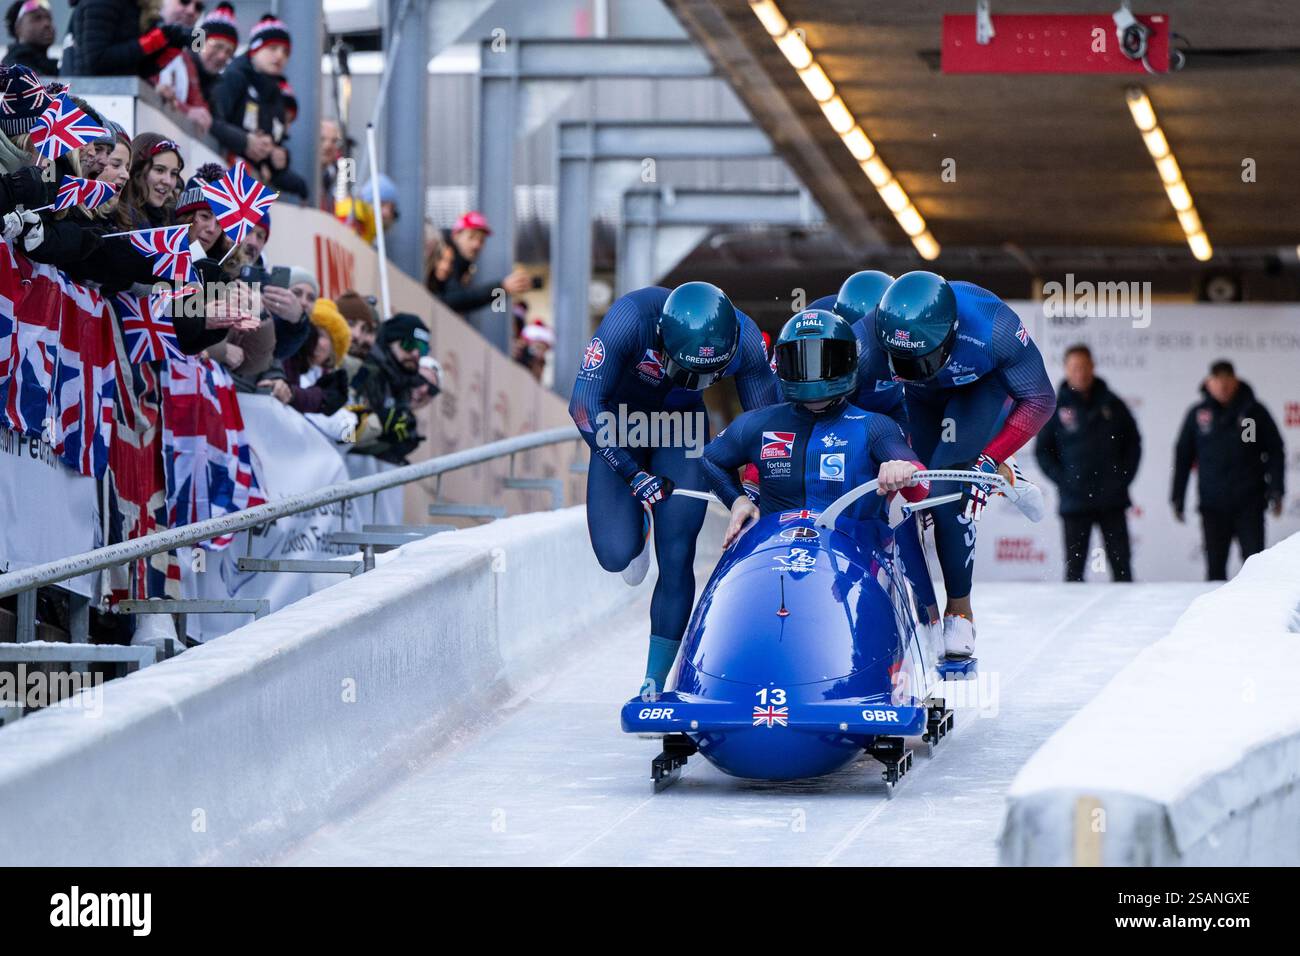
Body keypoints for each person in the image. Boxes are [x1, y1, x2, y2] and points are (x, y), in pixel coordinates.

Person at [569, 281, 778, 698]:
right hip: (618, 424)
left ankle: (653, 679)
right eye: (685, 371)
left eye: (706, 376)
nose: (695, 379)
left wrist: (754, 489)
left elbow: (770, 431)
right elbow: (583, 405)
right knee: (615, 556)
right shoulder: (631, 319)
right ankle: (637, 528)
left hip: (681, 429)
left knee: (678, 552)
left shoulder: (747, 341)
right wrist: (631, 473)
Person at [862, 271, 1053, 658]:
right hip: (918, 398)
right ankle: (926, 614)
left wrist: (985, 460)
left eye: (923, 357)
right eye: (903, 359)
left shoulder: (992, 328)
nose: (915, 365)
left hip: (976, 391)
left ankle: (959, 614)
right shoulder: (870, 337)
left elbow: (1040, 399)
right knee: (924, 500)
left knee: (947, 497)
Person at [703, 308, 930, 541]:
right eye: (801, 361)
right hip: (776, 557)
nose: (812, 374)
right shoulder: (759, 424)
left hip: (850, 558)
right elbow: (711, 458)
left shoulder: (874, 426)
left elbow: (920, 486)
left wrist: (904, 470)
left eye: (824, 361)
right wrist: (737, 501)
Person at [1034, 344, 1141, 582]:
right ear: (1066, 369)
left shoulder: (1113, 404)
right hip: (1075, 500)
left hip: (1112, 499)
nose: (1080, 372)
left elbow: (1133, 443)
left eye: (1084, 366)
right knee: (1074, 571)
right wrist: (1064, 479)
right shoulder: (1055, 406)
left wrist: (1122, 479)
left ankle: (1128, 618)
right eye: (1075, 367)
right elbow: (1042, 451)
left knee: (1122, 567)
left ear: (1092, 367)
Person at [1172, 360, 1285, 581]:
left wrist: (1277, 490)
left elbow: (1275, 451)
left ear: (1235, 381)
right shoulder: (1198, 415)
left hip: (1249, 504)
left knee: (1255, 566)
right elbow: (1183, 456)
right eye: (1218, 382)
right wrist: (1177, 496)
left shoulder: (1253, 412)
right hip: (1213, 506)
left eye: (1227, 381)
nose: (1223, 387)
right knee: (1215, 569)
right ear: (1209, 383)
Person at [209, 14, 308, 199]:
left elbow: (272, 144)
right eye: (272, 48)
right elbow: (211, 120)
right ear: (254, 49)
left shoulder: (276, 94)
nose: (280, 56)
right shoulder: (234, 77)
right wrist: (245, 141)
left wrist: (279, 157)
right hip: (221, 181)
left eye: (286, 52)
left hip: (252, 189)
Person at [428, 210, 531, 315]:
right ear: (456, 236)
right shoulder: (443, 254)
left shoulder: (463, 264)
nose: (476, 244)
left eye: (481, 240)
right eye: (471, 237)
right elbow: (451, 300)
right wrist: (501, 288)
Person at [62, 0, 194, 77]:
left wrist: (172, 47)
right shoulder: (102, 2)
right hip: (88, 102)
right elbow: (96, 60)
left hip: (117, 100)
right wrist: (154, 40)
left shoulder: (137, 5)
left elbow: (138, 70)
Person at [3, 0, 57, 73]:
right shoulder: (13, 69)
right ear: (18, 28)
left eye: (49, 18)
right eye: (37, 18)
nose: (46, 24)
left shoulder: (57, 66)